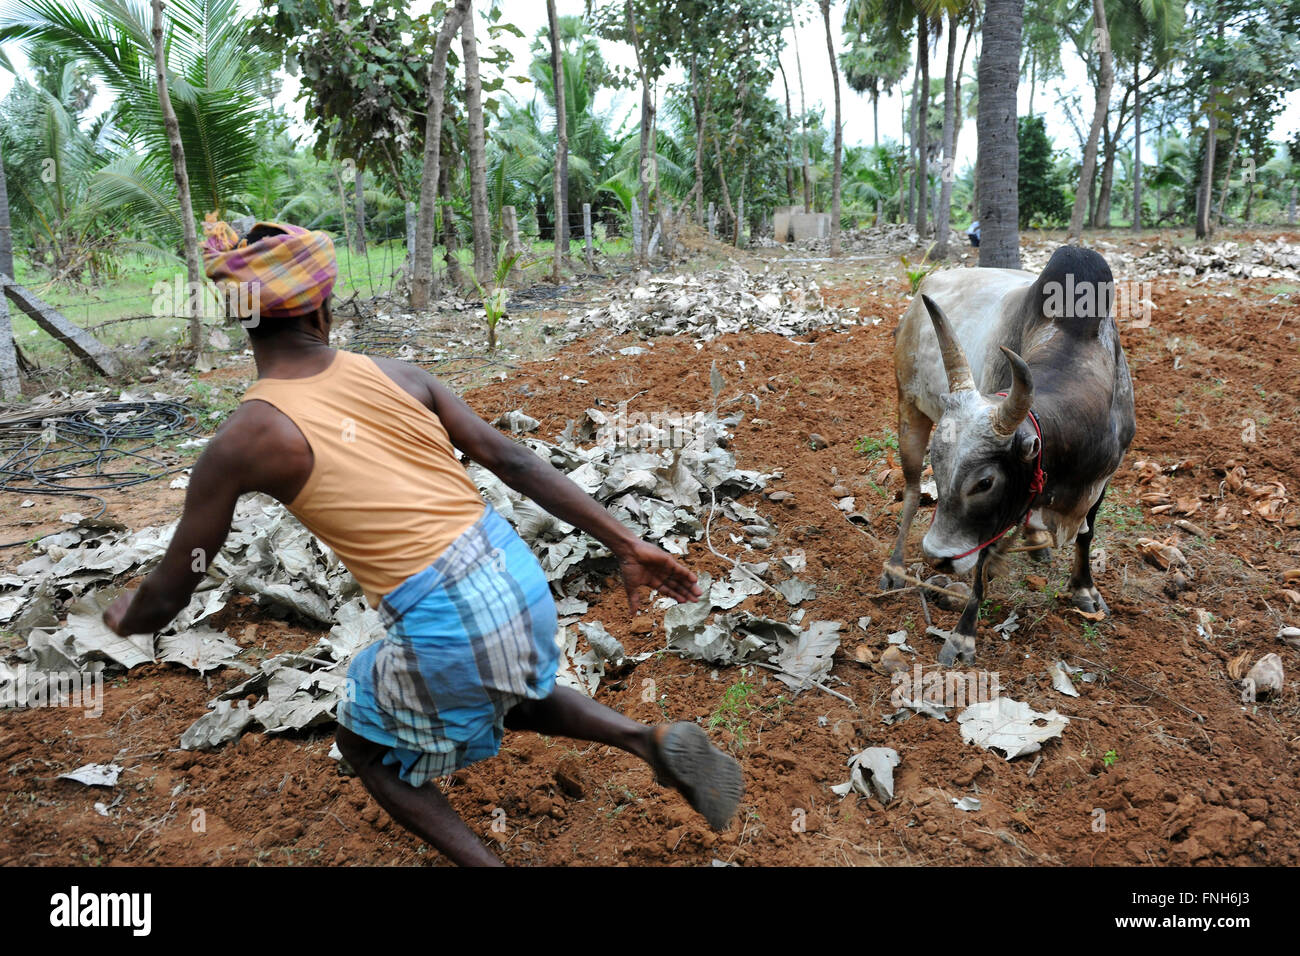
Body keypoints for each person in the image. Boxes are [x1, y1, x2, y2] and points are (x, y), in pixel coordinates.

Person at [102, 219, 743, 866]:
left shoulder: (244, 440)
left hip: (448, 619)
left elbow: (177, 581)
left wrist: (128, 616)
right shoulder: (402, 376)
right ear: (323, 312)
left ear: (243, 321)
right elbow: (512, 461)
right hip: (513, 574)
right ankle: (649, 741)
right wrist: (627, 543)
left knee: (366, 747)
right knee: (500, 687)